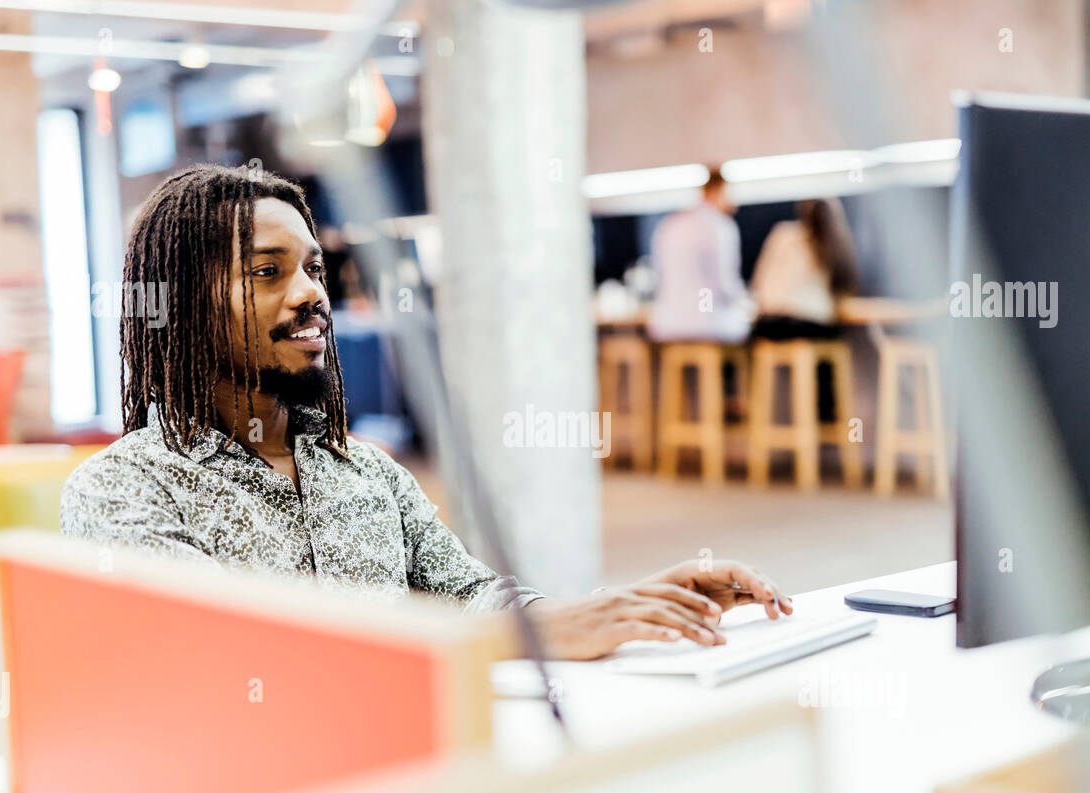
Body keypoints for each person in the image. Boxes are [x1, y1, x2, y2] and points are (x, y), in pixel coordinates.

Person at [61, 164, 792, 661]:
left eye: (315, 268)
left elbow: (474, 597)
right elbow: (247, 659)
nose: (312, 293)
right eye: (266, 271)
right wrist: (528, 635)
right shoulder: (122, 490)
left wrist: (622, 608)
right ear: (184, 306)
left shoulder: (367, 472)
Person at [749, 198, 860, 420]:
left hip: (768, 325)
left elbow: (758, 286)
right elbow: (843, 290)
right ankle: (825, 413)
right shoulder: (832, 241)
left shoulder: (782, 233)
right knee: (833, 341)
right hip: (806, 324)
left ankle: (760, 413)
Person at [646, 167, 749, 343]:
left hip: (667, 323)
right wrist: (743, 302)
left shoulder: (670, 223)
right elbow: (723, 284)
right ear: (719, 190)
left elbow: (660, 274)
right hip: (704, 326)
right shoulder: (720, 226)